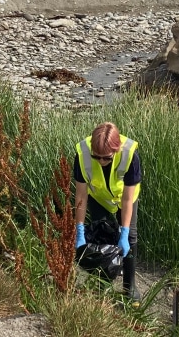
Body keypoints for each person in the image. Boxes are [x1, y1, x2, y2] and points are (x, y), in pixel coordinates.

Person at [73, 121, 142, 302]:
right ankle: (103, 282)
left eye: (106, 158)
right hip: (98, 196)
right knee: (101, 234)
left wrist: (124, 233)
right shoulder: (82, 154)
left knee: (130, 237)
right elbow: (81, 195)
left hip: (124, 197)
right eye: (97, 157)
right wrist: (79, 230)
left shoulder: (130, 155)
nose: (101, 161)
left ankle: (129, 286)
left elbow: (127, 199)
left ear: (116, 150)